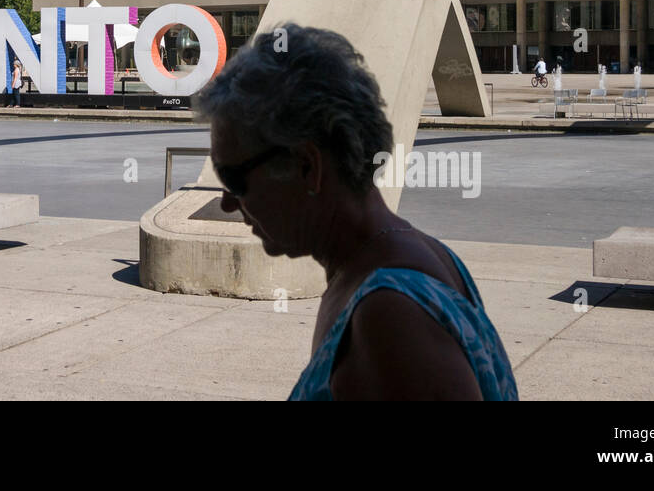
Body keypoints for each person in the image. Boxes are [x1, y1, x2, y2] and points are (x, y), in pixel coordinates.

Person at [198, 24, 518, 401]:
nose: (226, 202)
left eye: (234, 178)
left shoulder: (390, 317)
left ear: (307, 166)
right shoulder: (422, 256)